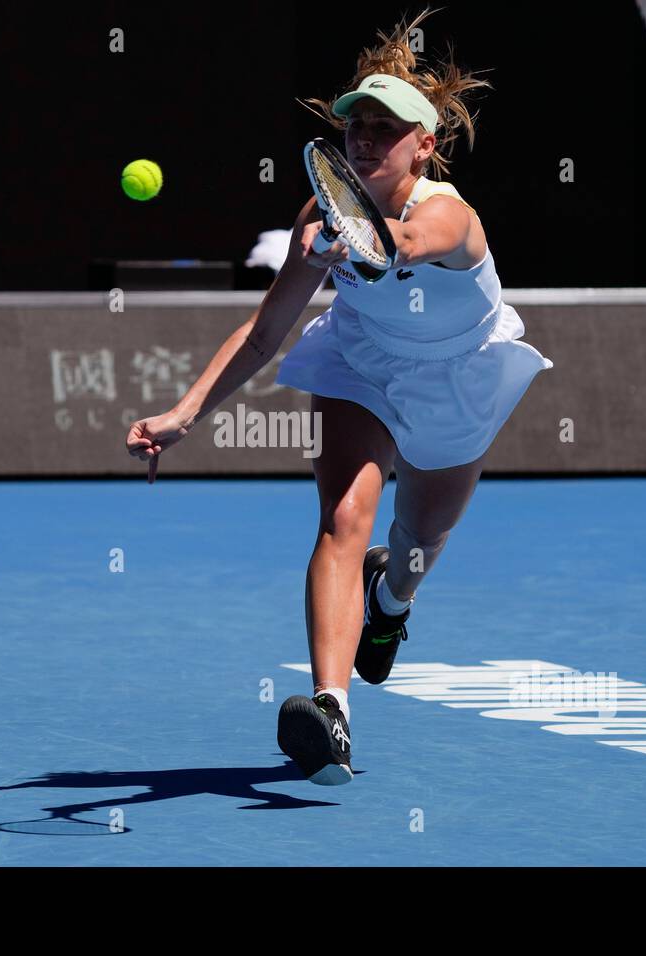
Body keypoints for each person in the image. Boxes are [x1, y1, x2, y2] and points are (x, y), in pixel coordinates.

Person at [124, 9, 551, 785]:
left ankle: (391, 603)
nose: (365, 139)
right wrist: (183, 414)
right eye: (357, 126)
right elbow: (263, 335)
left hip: (457, 377)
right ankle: (331, 712)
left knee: (422, 538)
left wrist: (356, 241)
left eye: (387, 129)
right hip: (363, 363)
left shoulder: (447, 213)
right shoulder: (316, 220)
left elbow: (406, 248)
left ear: (424, 145)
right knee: (343, 518)